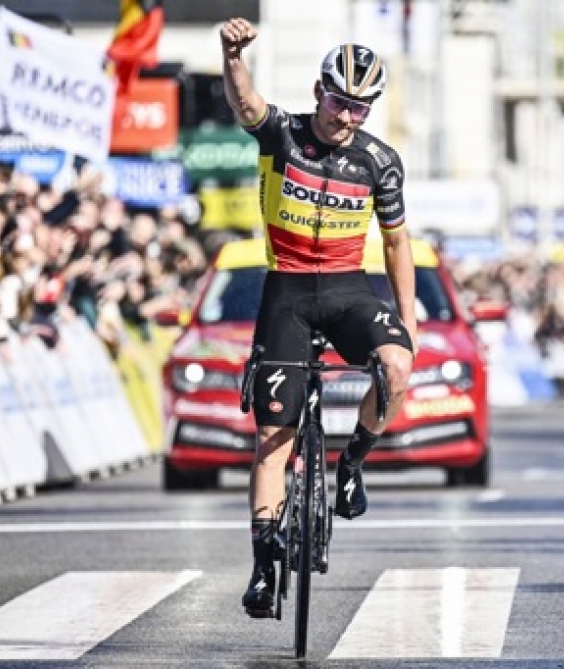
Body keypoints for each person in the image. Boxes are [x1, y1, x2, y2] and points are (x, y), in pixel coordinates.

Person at [219, 18, 418, 618]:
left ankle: (352, 462)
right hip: (287, 293)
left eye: (361, 108)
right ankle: (261, 568)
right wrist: (232, 56)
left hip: (349, 291)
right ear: (317, 92)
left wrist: (407, 321)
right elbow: (246, 101)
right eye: (339, 102)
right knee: (273, 440)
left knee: (397, 368)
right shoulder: (283, 135)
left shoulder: (380, 162)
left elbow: (398, 243)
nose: (348, 117)